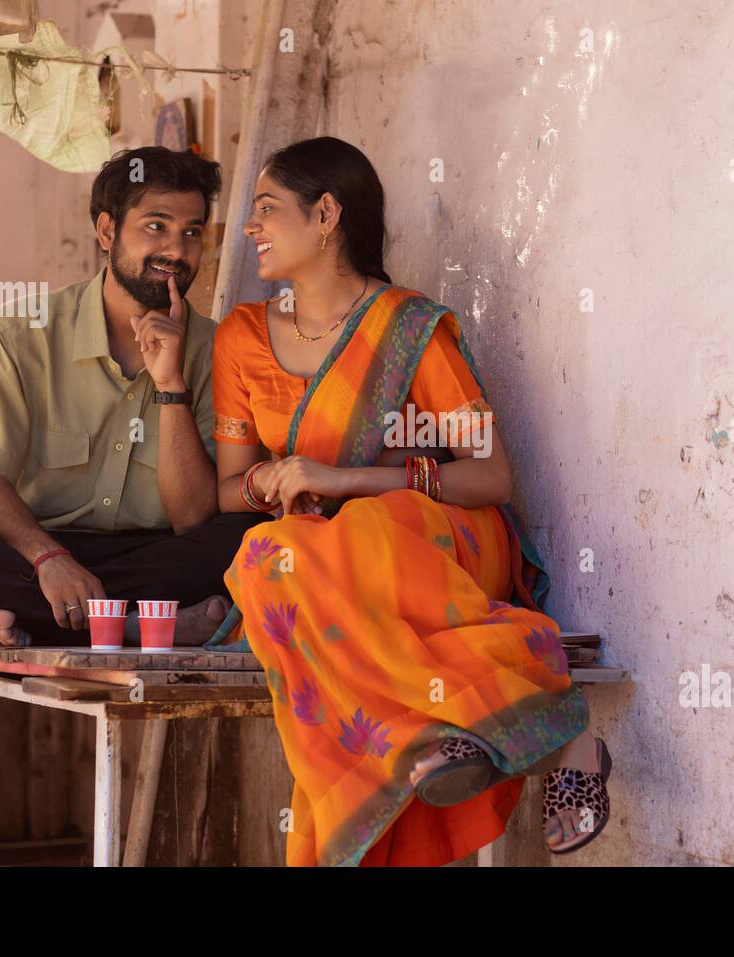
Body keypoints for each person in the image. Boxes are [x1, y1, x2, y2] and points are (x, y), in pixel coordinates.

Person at [208, 136, 615, 865]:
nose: (251, 228)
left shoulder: (409, 330)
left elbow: (490, 477)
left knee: (361, 526)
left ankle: (563, 728)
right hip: (328, 562)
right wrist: (267, 483)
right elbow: (229, 488)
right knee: (267, 552)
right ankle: (440, 735)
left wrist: (343, 480)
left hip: (438, 541)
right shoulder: (241, 337)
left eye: (267, 210)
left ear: (326, 213)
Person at [0, 146, 269, 647]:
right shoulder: (19, 335)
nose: (176, 250)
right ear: (107, 231)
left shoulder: (220, 348)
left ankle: (47, 623)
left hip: (157, 556)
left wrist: (171, 387)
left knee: (244, 539)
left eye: (192, 232)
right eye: (156, 226)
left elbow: (194, 518)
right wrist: (49, 559)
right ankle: (147, 625)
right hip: (42, 549)